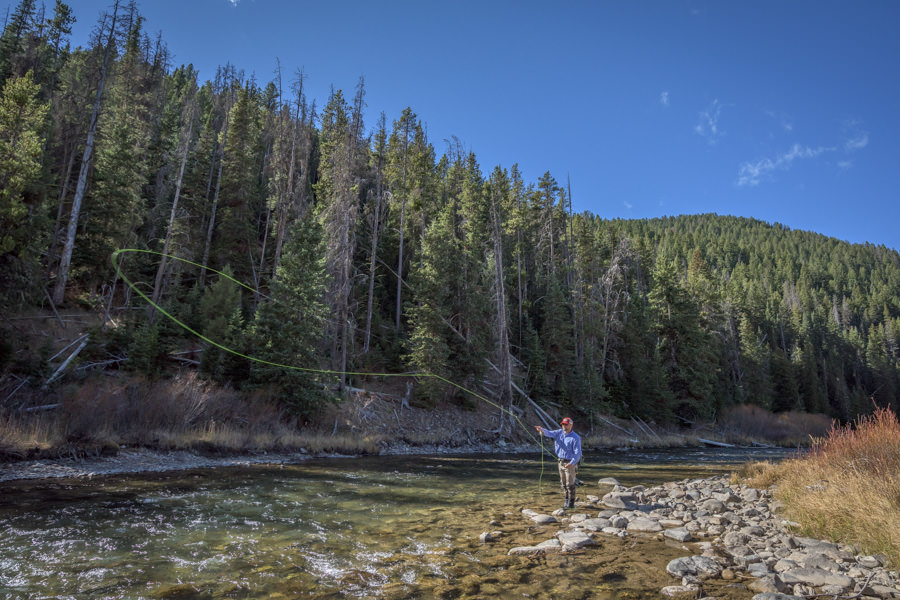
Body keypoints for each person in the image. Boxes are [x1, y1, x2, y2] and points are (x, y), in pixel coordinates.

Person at [535, 417, 582, 508]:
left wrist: (572, 463)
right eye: (563, 424)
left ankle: (571, 504)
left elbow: (578, 453)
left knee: (570, 484)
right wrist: (541, 430)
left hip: (570, 463)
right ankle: (566, 501)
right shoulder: (558, 433)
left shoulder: (576, 438)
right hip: (560, 462)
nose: (564, 426)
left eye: (566, 424)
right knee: (563, 483)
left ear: (571, 425)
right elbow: (549, 433)